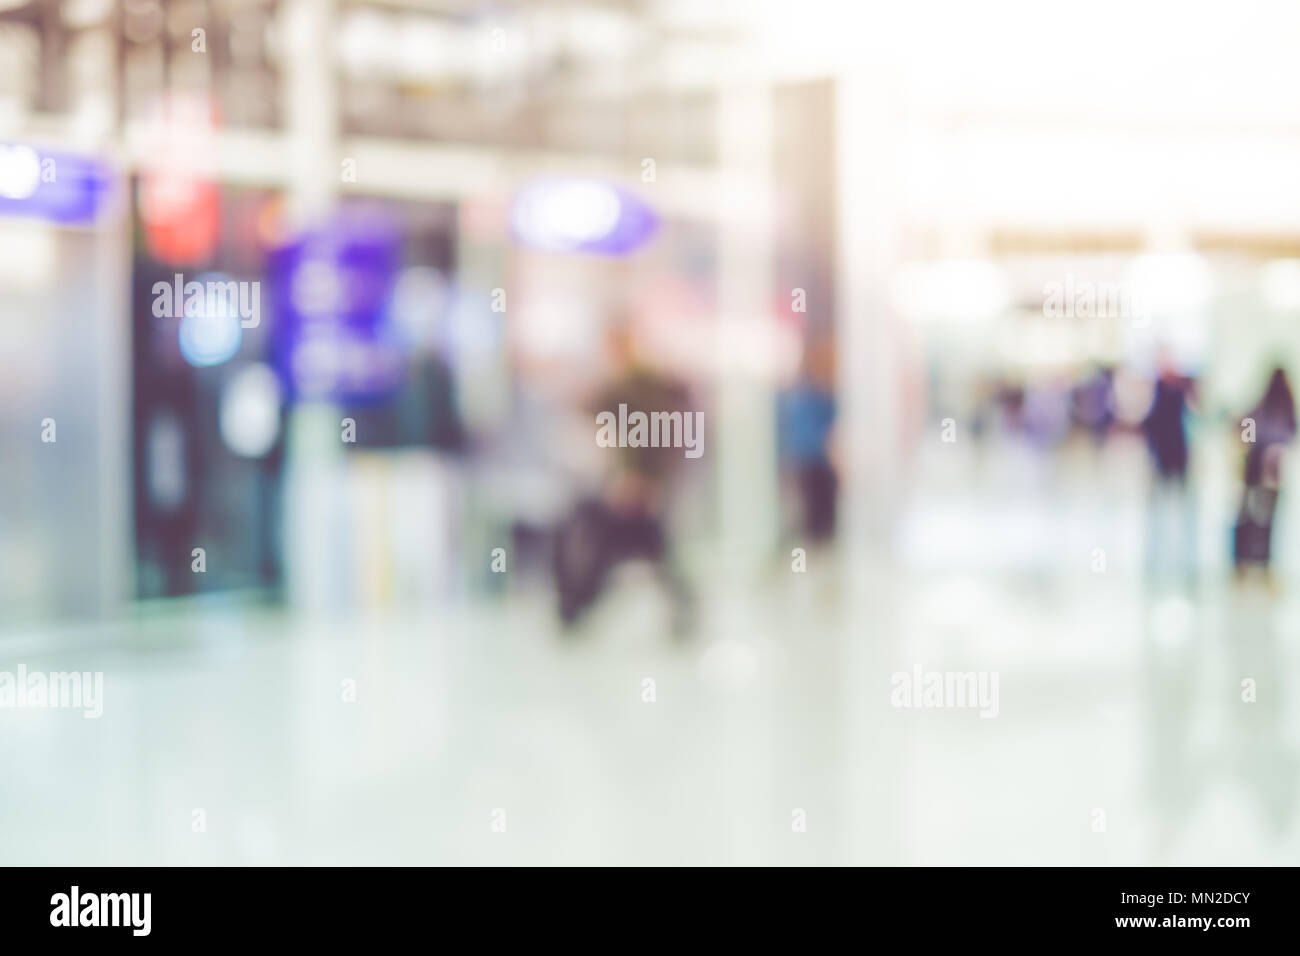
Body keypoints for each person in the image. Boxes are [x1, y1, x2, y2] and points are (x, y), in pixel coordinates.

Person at [553, 318, 696, 635]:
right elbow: (592, 407)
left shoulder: (643, 388)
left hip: (639, 486)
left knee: (630, 547)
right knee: (639, 549)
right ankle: (576, 608)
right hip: (629, 485)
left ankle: (576, 608)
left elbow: (659, 438)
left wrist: (644, 479)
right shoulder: (624, 385)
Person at [1233, 367, 1297, 581]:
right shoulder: (1279, 408)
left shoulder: (1268, 407)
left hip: (1259, 470)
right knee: (1260, 519)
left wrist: (1250, 444)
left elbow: (1246, 427)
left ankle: (1249, 564)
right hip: (1264, 470)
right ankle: (1254, 565)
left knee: (1254, 518)